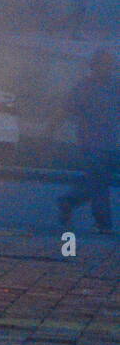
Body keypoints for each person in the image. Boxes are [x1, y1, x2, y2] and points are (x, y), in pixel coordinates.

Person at [51, 49, 118, 234]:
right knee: (99, 183)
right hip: (92, 142)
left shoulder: (115, 86)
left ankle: (68, 201)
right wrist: (51, 129)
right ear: (94, 66)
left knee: (99, 180)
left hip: (114, 142)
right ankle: (104, 223)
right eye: (103, 64)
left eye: (110, 64)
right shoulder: (84, 87)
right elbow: (66, 109)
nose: (107, 68)